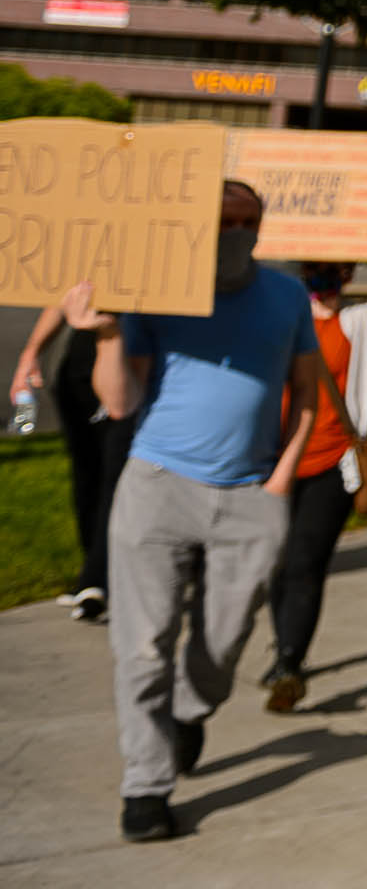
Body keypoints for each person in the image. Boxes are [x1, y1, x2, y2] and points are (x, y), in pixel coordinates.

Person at [60, 179, 334, 844]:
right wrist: (103, 336)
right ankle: (146, 787)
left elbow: (304, 391)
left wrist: (282, 479)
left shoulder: (286, 296)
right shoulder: (156, 291)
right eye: (222, 221)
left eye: (247, 221)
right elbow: (121, 402)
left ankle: (189, 713)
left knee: (220, 647)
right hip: (156, 487)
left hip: (250, 494)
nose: (235, 232)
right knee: (141, 649)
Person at [262, 249, 367, 709]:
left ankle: (291, 664)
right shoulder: (280, 318)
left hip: (332, 463)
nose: (322, 278)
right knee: (276, 565)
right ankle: (283, 646)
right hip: (274, 464)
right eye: (312, 270)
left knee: (305, 562)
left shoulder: (355, 322)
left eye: (332, 270)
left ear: (350, 273)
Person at [11, 295, 137, 623]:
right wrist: (32, 352)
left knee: (118, 473)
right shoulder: (94, 249)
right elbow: (62, 297)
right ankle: (93, 567)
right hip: (78, 373)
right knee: (87, 475)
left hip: (130, 366)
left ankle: (97, 579)